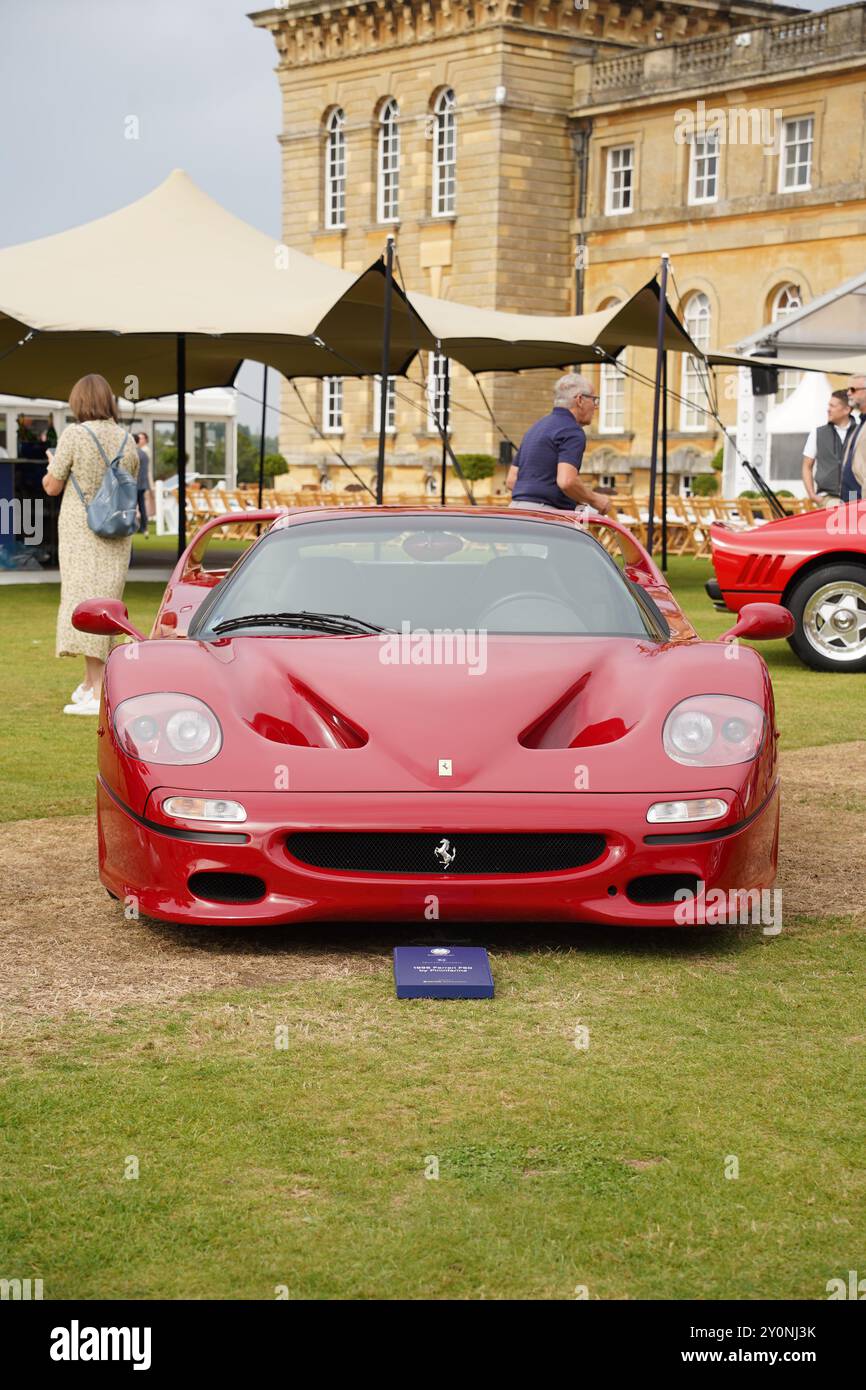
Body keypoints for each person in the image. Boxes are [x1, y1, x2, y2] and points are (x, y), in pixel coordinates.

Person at [41, 373, 140, 715]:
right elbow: (131, 481)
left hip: (82, 531)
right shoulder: (127, 439)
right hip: (117, 531)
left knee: (85, 605)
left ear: (79, 402)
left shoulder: (74, 434)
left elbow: (52, 486)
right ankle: (91, 682)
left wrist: (52, 465)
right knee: (106, 605)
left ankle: (99, 691)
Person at [507, 373, 611, 514]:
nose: (596, 406)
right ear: (580, 400)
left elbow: (512, 480)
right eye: (594, 400)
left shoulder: (536, 427)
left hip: (515, 510)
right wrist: (595, 499)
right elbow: (567, 481)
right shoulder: (572, 430)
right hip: (544, 516)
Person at [800, 390, 856, 506]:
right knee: (837, 514)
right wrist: (812, 495)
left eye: (833, 406)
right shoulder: (818, 433)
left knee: (853, 517)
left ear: (846, 410)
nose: (828, 409)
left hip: (854, 495)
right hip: (828, 497)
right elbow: (806, 466)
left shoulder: (860, 433)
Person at [840, 375, 866, 503]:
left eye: (853, 389)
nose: (848, 393)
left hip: (860, 502)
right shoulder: (860, 423)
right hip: (851, 500)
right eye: (848, 389)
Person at [134, 431, 152, 534]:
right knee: (142, 506)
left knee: (134, 506)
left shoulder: (137, 453)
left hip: (136, 484)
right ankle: (144, 527)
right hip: (142, 484)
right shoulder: (143, 453)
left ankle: (136, 526)